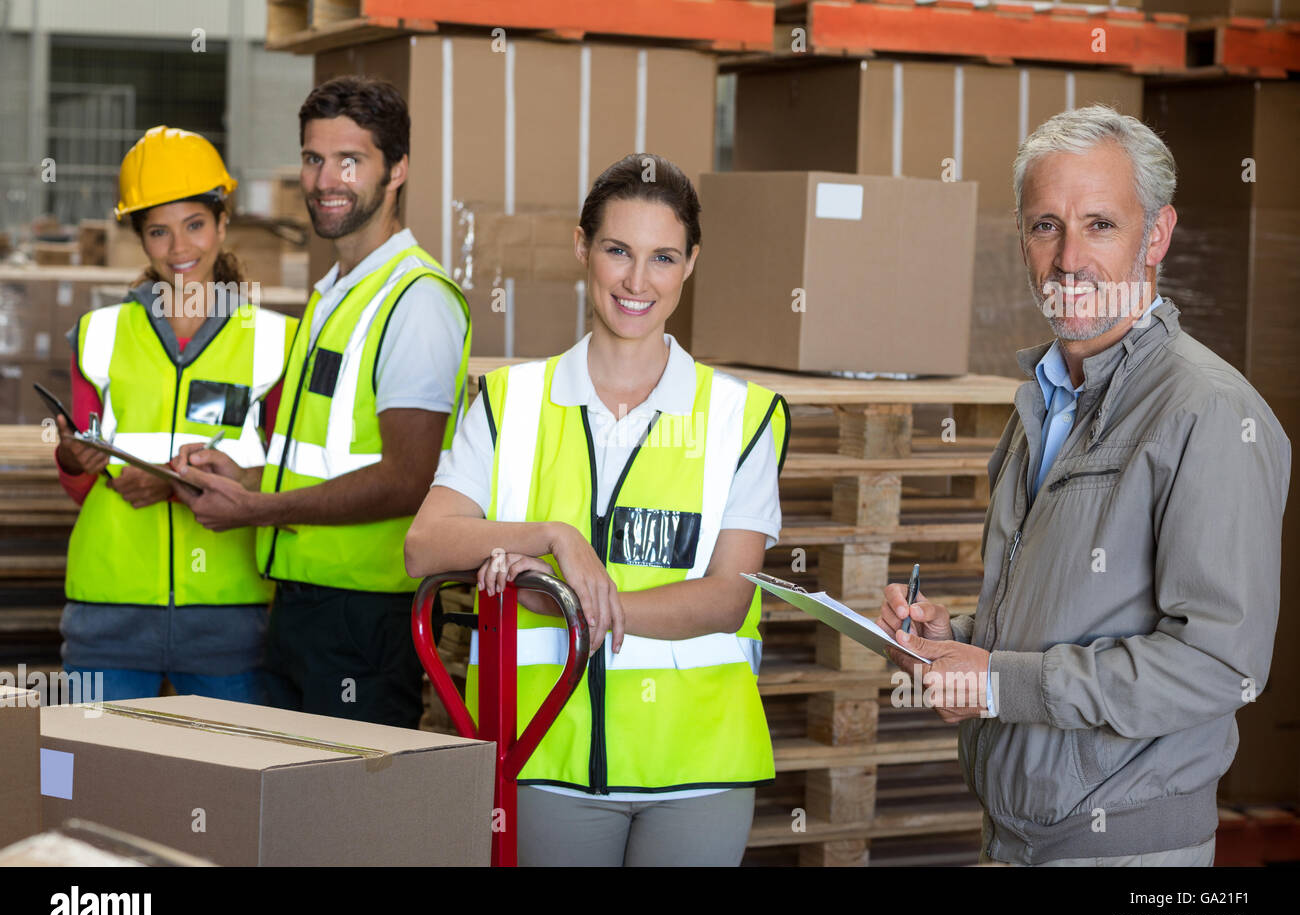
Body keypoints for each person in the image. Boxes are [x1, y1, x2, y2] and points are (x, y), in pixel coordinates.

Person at [875, 105, 1290, 866]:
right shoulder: (1046, 395)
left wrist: (999, 683)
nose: (1069, 259)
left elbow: (1219, 666)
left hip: (1123, 849)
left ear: (1156, 235)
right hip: (1015, 833)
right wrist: (957, 644)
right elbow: (1066, 612)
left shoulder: (1208, 411)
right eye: (1045, 226)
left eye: (1100, 224)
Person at [405, 153, 789, 866]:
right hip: (544, 750)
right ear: (582, 248)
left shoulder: (743, 417)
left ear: (690, 263)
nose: (637, 282)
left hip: (698, 764)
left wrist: (561, 600)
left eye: (663, 258)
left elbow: (728, 599)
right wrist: (555, 537)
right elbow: (424, 545)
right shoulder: (510, 403)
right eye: (617, 251)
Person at [171, 76, 471, 730]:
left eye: (350, 160)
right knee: (295, 812)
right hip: (306, 605)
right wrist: (246, 478)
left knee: (347, 821)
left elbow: (407, 478)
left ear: (397, 171)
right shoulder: (336, 292)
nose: (325, 179)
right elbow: (332, 454)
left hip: (364, 617)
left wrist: (259, 509)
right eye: (313, 159)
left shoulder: (415, 300)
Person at [54, 126, 296, 703]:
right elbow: (79, 480)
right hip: (106, 609)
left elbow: (289, 475)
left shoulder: (276, 341)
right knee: (95, 783)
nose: (179, 248)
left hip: (230, 614)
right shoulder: (99, 334)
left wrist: (200, 485)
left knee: (234, 783)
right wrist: (72, 457)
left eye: (194, 224)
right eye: (158, 230)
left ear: (221, 222)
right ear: (139, 236)